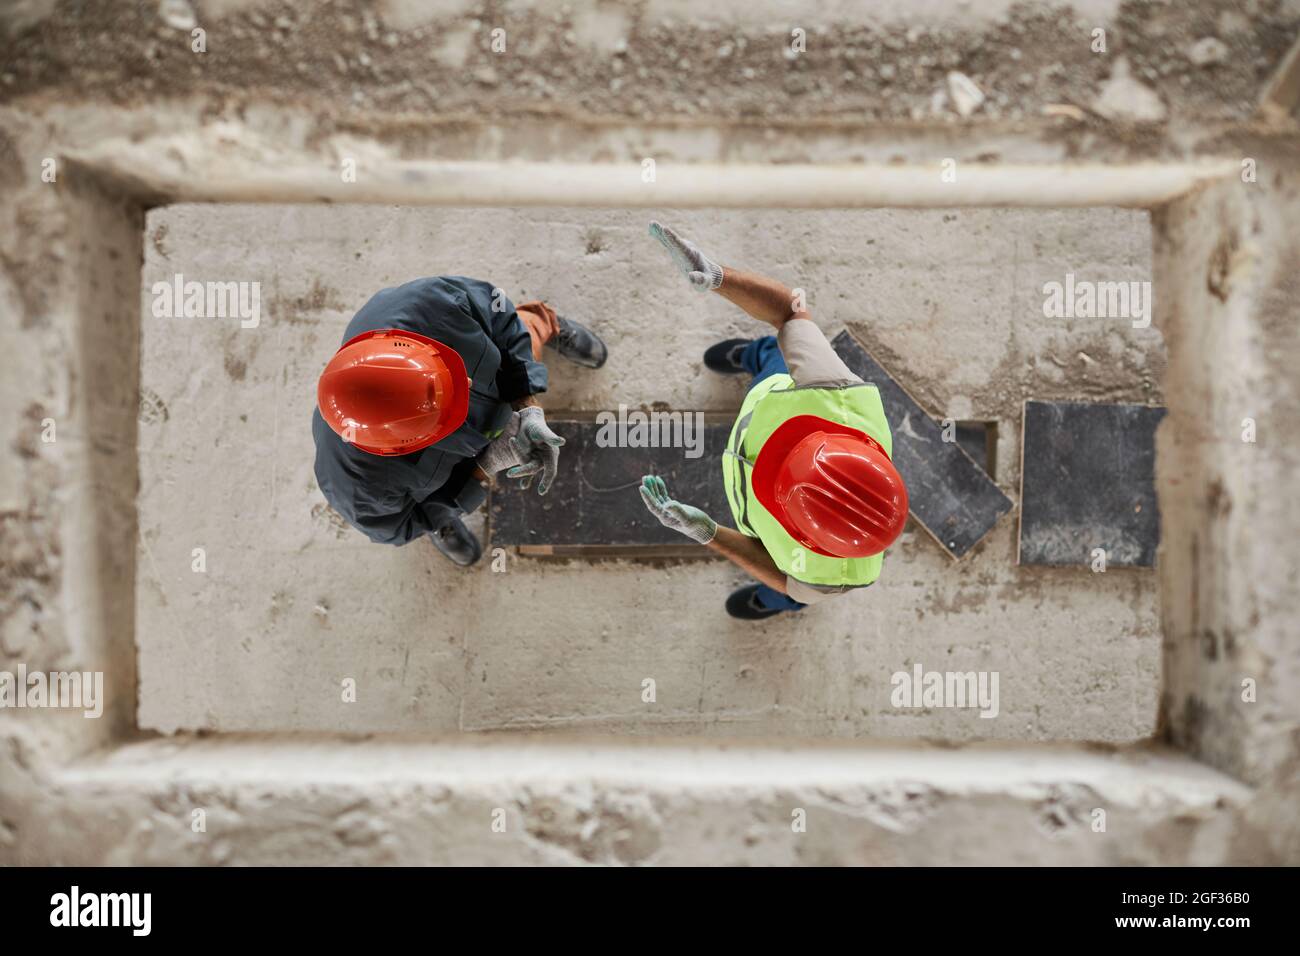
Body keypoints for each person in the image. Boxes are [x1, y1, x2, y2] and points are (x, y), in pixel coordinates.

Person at [637, 223, 908, 620]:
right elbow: (789, 310)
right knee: (780, 354)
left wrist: (709, 532)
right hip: (770, 396)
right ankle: (757, 354)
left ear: (804, 535)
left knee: (797, 594)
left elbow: (789, 579)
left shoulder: (829, 577)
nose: (774, 457)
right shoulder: (838, 395)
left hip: (800, 569)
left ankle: (780, 605)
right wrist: (718, 277)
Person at [312, 276, 607, 566]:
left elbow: (499, 316)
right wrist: (485, 467)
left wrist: (528, 405)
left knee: (521, 336)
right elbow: (402, 526)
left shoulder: (432, 304)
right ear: (398, 446)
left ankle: (543, 321)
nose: (465, 384)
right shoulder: (359, 485)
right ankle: (443, 520)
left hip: (500, 379)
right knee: (429, 510)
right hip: (460, 462)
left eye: (449, 374)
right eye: (447, 406)